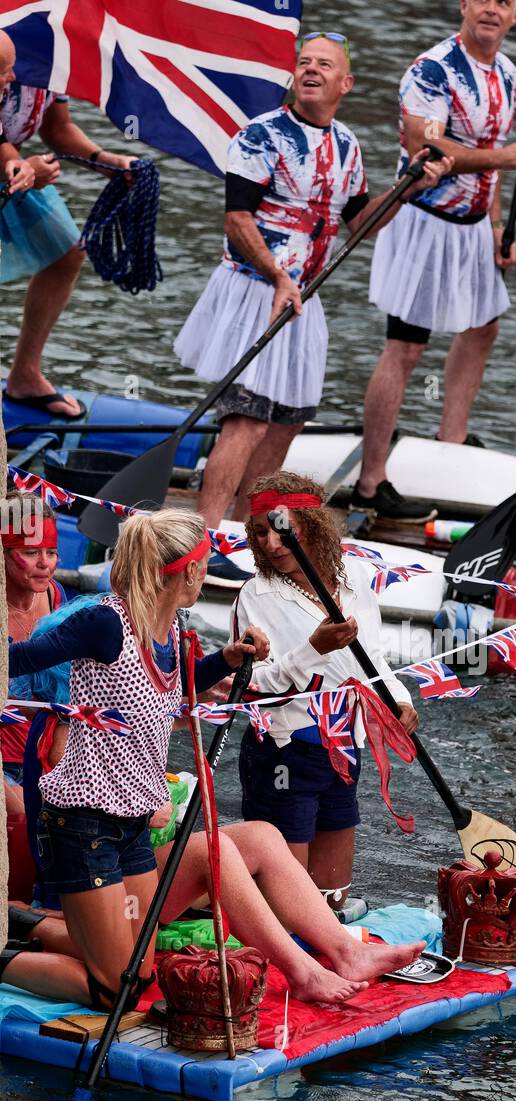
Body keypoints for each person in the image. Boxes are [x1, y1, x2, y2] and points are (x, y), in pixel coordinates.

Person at [6, 595, 424, 1005]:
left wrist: (207, 679)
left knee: (261, 835)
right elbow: (132, 814)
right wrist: (165, 798)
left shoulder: (107, 715)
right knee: (214, 850)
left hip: (131, 864)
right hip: (93, 883)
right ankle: (302, 972)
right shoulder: (68, 732)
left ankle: (344, 950)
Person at [175, 32, 452, 539]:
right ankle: (202, 538)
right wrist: (278, 276)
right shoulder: (260, 135)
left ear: (345, 83)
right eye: (304, 62)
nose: (311, 70)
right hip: (255, 292)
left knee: (285, 424)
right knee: (246, 420)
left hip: (304, 298)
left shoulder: (346, 144)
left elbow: (361, 222)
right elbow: (237, 219)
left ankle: (244, 537)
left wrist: (412, 187)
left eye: (324, 65)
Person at [0, 510, 270, 1009]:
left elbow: (174, 685)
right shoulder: (105, 622)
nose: (207, 575)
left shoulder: (168, 630)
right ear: (189, 572)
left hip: (133, 825)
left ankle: (24, 924)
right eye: (205, 565)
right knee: (115, 992)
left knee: (141, 977)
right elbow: (19, 659)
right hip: (83, 825)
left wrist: (227, 660)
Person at [357, 0, 516, 521]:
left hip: (473, 227)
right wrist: (504, 158)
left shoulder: (510, 76)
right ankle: (372, 480)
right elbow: (428, 146)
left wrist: (499, 227)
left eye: (503, 2)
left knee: (483, 328)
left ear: (515, 15)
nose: (491, 9)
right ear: (464, 5)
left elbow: (494, 164)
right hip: (422, 222)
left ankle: (450, 440)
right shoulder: (431, 69)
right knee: (406, 351)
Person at [231, 473, 418, 911]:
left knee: (331, 899)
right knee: (286, 903)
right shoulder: (254, 597)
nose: (271, 545)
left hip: (343, 749)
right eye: (260, 533)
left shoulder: (355, 580)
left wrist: (399, 699)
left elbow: (371, 658)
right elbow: (255, 688)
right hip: (282, 751)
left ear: (313, 527)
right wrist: (313, 649)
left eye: (282, 532)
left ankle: (331, 951)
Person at [0, 28, 135, 420]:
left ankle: (25, 375)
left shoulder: (53, 54)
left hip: (18, 168)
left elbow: (57, 130)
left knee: (66, 252)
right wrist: (19, 167)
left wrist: (108, 163)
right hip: (14, 168)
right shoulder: (8, 43)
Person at [2, 491, 66, 787]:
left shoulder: (55, 596)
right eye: (30, 552)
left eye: (51, 551)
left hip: (47, 752)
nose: (44, 563)